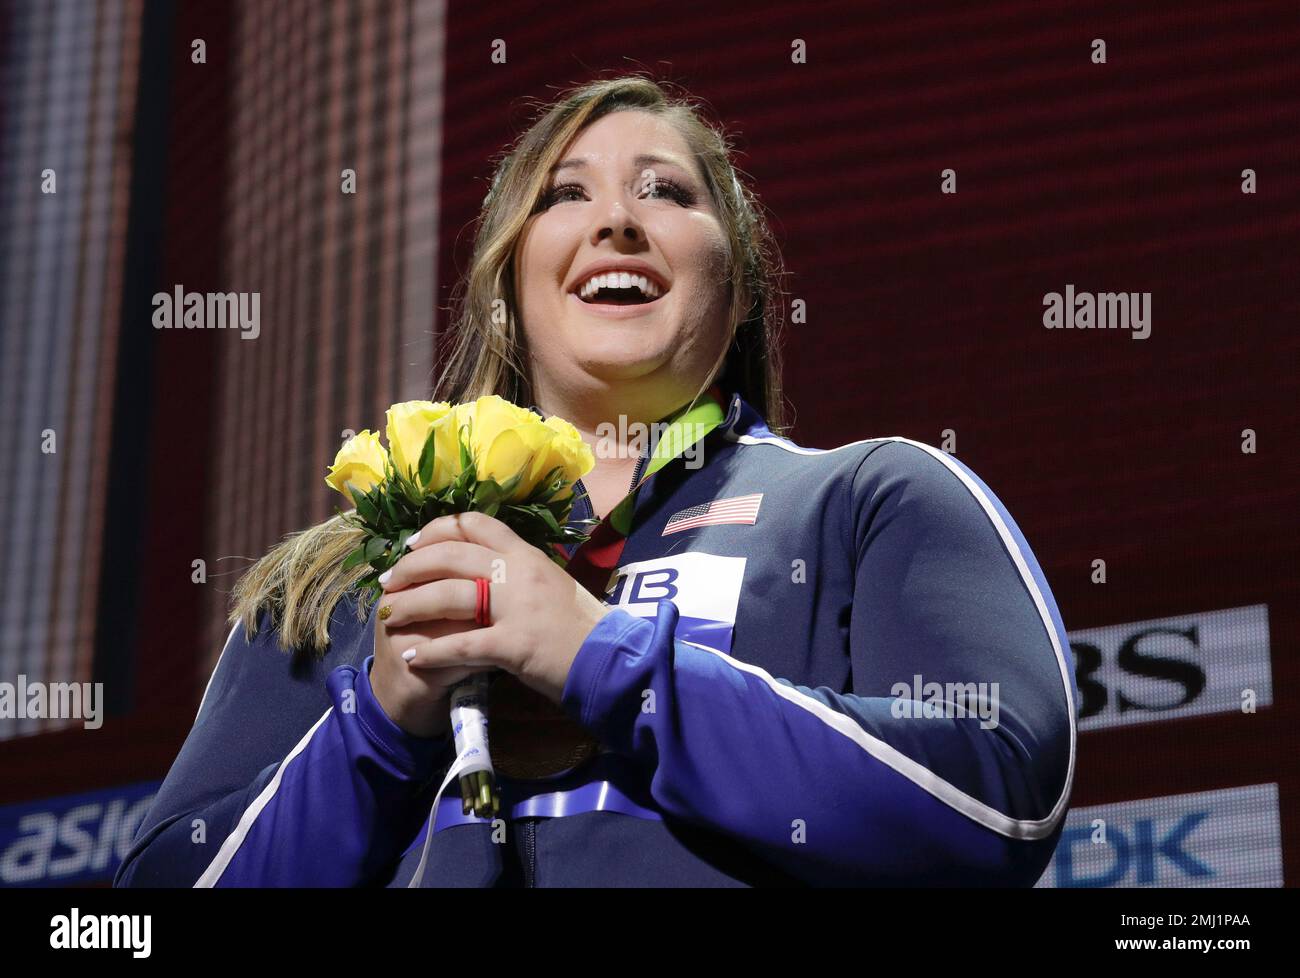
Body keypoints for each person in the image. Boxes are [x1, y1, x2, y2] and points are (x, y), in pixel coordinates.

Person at [115, 74, 1077, 888]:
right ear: (507, 288)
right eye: (565, 196)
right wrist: (376, 731)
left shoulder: (871, 501)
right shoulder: (340, 585)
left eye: (666, 192)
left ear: (737, 289)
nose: (616, 219)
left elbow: (998, 795)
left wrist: (599, 654)